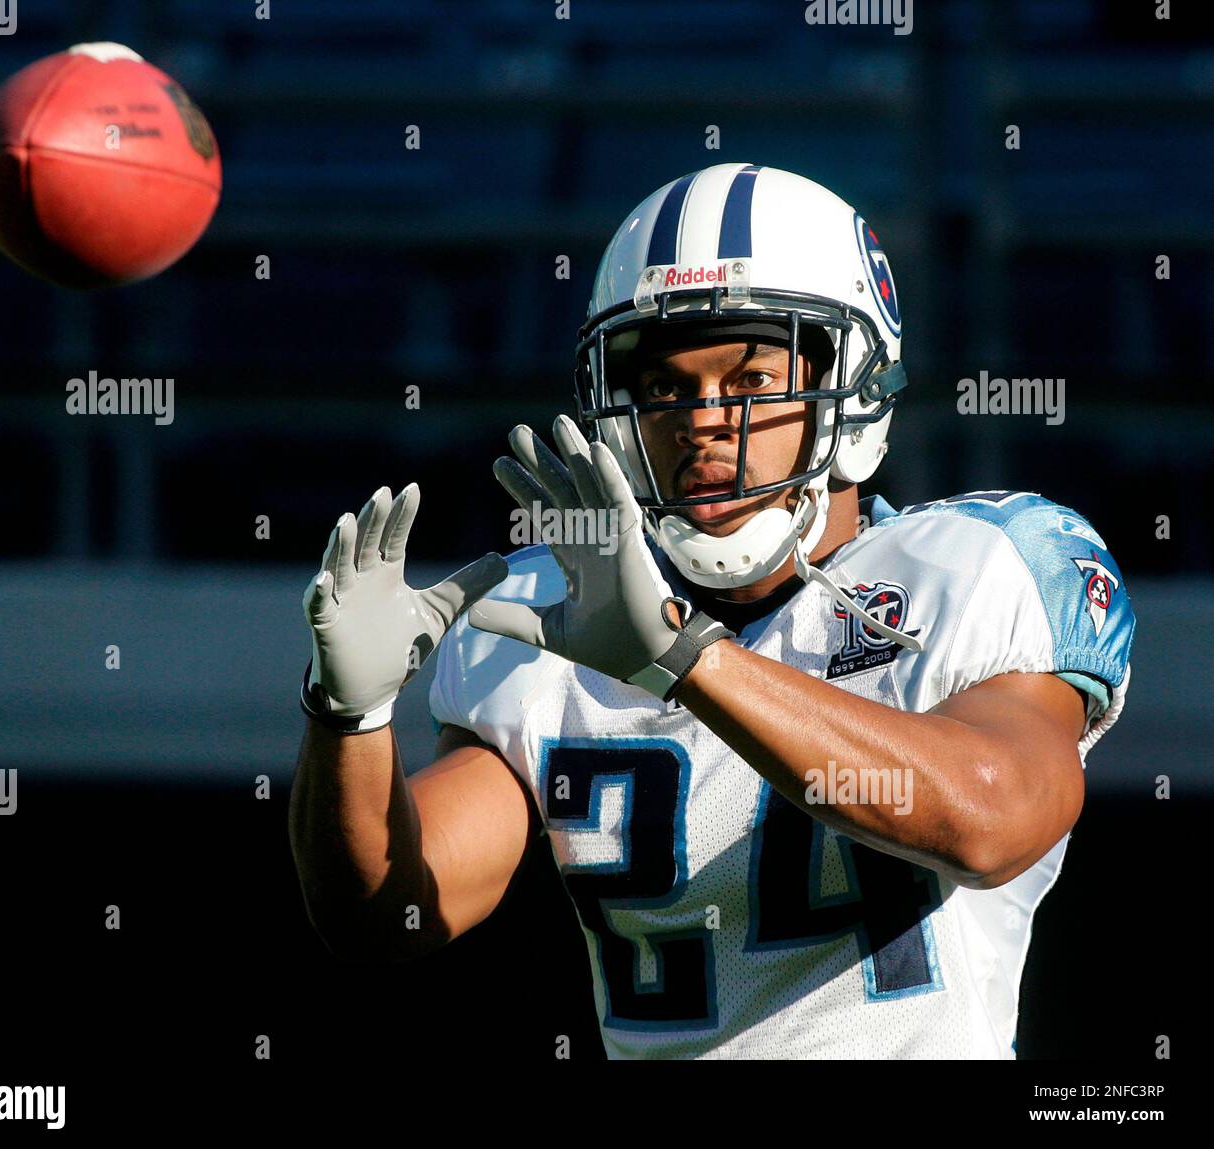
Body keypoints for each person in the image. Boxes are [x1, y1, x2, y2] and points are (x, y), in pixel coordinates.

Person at [289, 163, 1134, 1059]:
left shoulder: (973, 567)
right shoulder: (550, 612)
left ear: (851, 383)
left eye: (751, 378)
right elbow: (391, 911)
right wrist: (348, 718)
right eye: (665, 387)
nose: (704, 421)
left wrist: (685, 657)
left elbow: (989, 818)